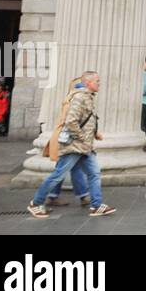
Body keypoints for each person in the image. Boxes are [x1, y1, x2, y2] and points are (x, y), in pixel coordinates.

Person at [27, 71, 115, 217]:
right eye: (97, 81)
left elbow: (85, 120)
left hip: (84, 147)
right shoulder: (80, 97)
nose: (99, 84)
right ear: (88, 83)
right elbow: (71, 121)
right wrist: (82, 137)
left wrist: (93, 134)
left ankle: (96, 205)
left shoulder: (88, 97)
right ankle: (36, 203)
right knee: (57, 175)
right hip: (74, 146)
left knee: (94, 173)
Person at [44, 77, 92, 209]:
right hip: (68, 138)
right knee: (67, 167)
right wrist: (82, 136)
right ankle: (82, 196)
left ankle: (54, 195)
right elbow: (71, 122)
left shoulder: (70, 99)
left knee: (66, 166)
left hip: (66, 137)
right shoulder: (74, 101)